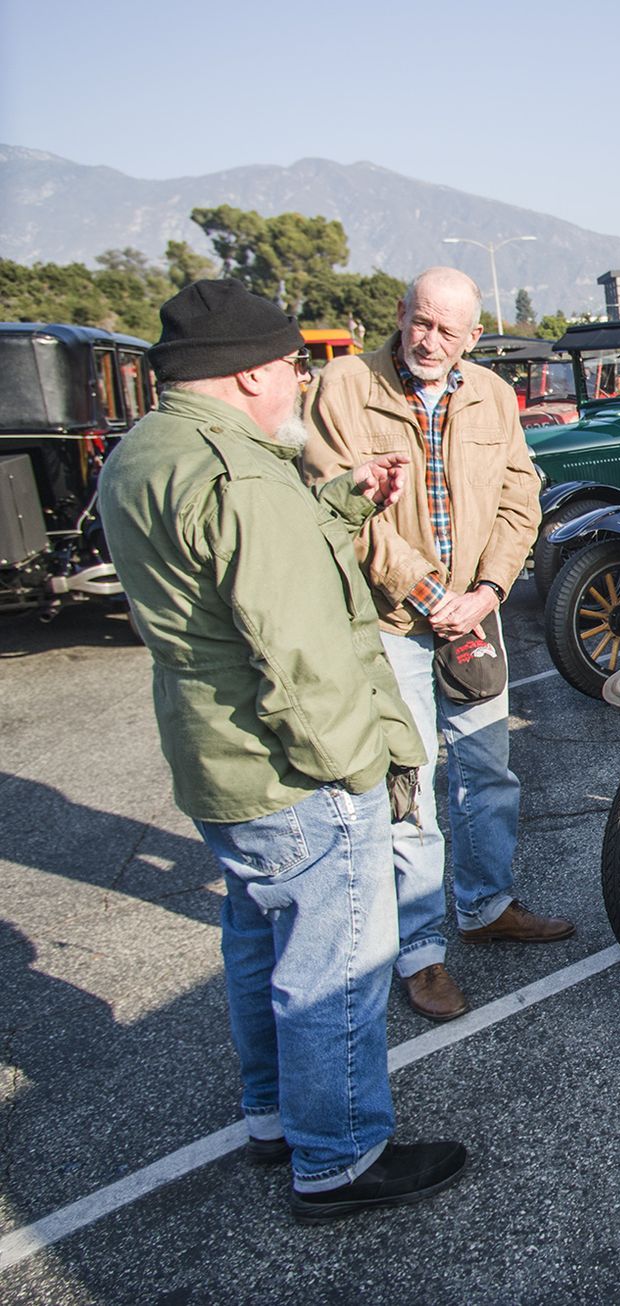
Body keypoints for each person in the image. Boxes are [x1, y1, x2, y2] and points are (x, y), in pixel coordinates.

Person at [97, 280, 467, 1220]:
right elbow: (299, 651)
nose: (301, 381)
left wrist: (341, 502)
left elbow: (228, 569)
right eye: (294, 364)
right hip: (291, 765)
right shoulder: (247, 477)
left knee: (258, 944)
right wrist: (357, 770)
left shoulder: (148, 450)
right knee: (332, 964)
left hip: (215, 757)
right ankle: (338, 1156)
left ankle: (272, 1117)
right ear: (252, 371)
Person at [305, 267, 567, 1025]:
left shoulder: (490, 392)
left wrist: (487, 593)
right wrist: (428, 596)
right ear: (400, 315)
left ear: (472, 338)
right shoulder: (345, 387)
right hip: (391, 626)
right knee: (410, 792)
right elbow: (343, 509)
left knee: (488, 775)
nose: (431, 341)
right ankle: (420, 954)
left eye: (449, 331)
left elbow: (522, 497)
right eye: (422, 322)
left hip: (474, 618)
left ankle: (485, 907)